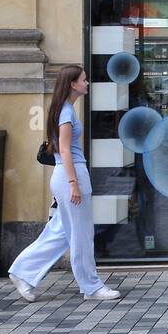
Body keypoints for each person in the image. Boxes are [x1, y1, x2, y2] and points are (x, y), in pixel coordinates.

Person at [9, 64, 121, 301]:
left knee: (60, 231)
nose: (87, 83)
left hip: (67, 175)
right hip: (71, 174)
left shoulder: (64, 109)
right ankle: (91, 286)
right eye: (84, 79)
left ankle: (22, 272)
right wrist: (73, 183)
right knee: (82, 235)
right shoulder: (66, 112)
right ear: (73, 84)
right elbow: (64, 150)